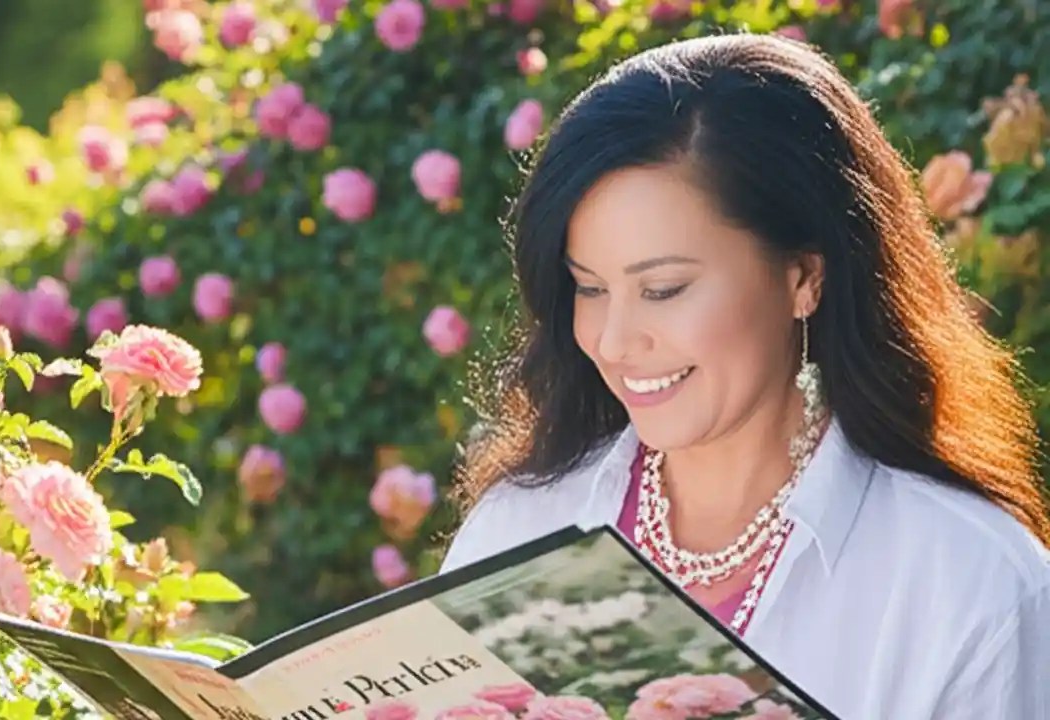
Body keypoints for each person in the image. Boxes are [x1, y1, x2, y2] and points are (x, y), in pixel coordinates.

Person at [439, 32, 1050, 719]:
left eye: (663, 289)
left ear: (803, 277)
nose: (612, 341)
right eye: (588, 288)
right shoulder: (519, 530)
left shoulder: (970, 580)